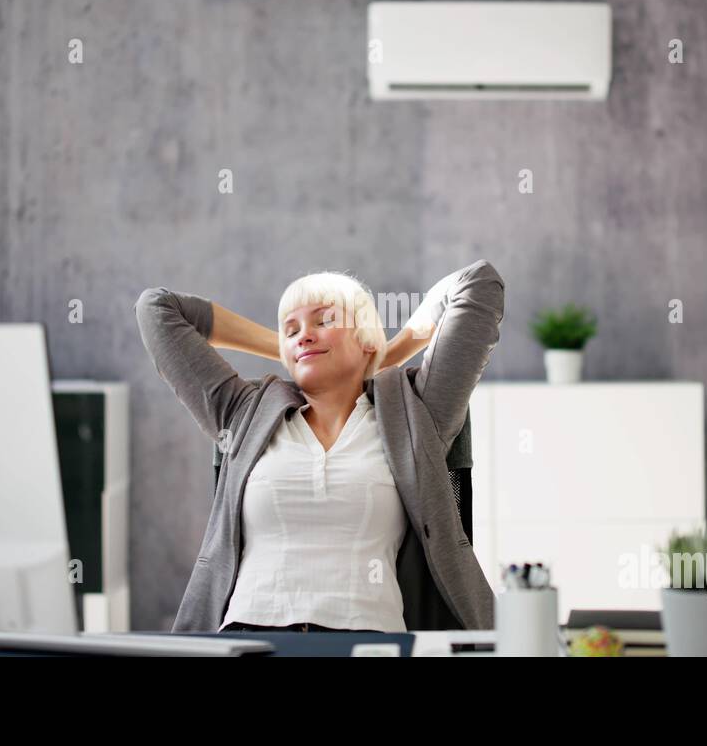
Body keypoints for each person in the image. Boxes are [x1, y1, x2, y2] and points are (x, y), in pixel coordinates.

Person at [134, 260, 505, 633]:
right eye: (290, 329)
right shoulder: (243, 412)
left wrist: (385, 352)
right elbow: (156, 309)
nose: (303, 335)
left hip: (367, 639)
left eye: (325, 320)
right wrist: (289, 347)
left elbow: (478, 283)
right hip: (251, 637)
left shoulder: (415, 414)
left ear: (365, 338)